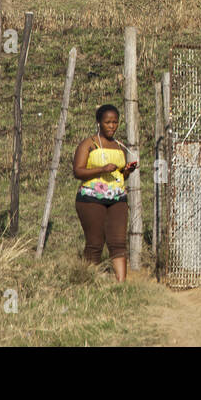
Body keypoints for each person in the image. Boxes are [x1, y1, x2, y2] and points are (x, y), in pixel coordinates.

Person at [73, 104, 138, 281]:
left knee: (118, 243)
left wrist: (127, 171)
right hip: (91, 198)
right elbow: (78, 171)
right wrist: (101, 169)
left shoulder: (119, 146)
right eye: (108, 122)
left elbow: (119, 175)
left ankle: (121, 285)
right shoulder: (89, 144)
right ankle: (88, 281)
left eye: (115, 122)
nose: (112, 126)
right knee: (95, 244)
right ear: (99, 123)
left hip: (118, 198)